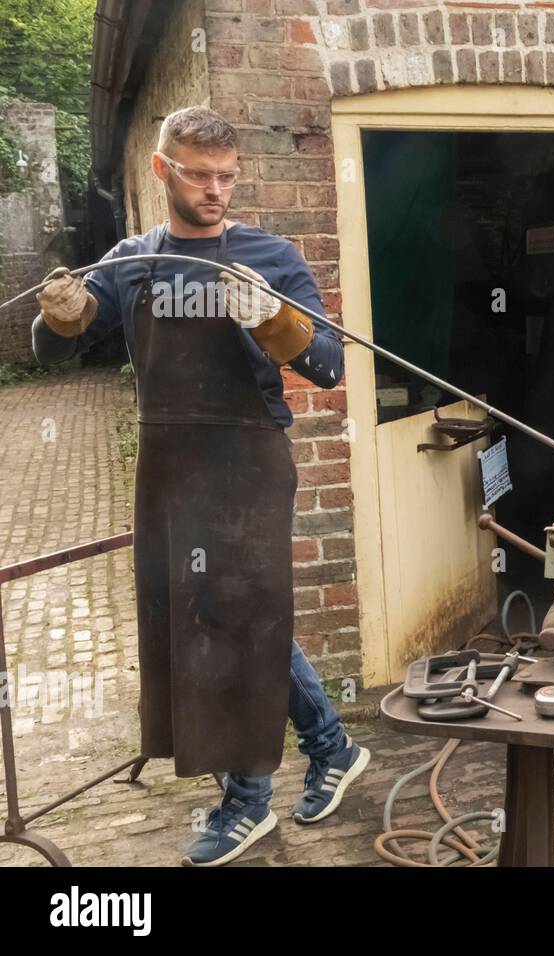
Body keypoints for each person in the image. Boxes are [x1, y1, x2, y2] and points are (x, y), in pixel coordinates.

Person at [31, 107, 370, 867]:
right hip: (168, 466)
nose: (215, 190)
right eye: (198, 174)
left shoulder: (269, 256)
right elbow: (56, 348)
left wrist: (274, 320)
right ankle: (334, 747)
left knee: (241, 625)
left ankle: (247, 802)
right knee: (200, 619)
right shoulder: (131, 261)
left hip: (248, 464)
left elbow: (328, 364)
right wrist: (60, 319)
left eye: (226, 176)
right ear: (162, 170)